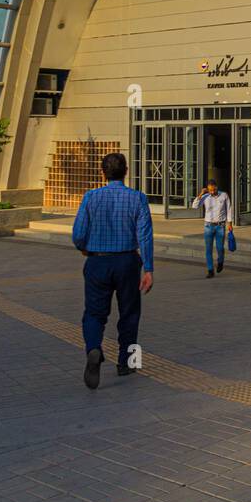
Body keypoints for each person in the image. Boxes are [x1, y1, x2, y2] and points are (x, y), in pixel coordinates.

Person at [71, 152, 153, 389]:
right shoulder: (137, 198)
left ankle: (94, 348)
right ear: (126, 171)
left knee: (94, 313)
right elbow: (145, 235)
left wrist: (84, 248)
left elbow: (78, 233)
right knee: (129, 312)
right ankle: (125, 362)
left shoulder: (91, 197)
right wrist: (148, 268)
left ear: (102, 172)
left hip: (97, 261)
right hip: (127, 261)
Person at [191, 180, 234, 278]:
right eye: (210, 190)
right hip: (208, 226)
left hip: (220, 226)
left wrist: (230, 223)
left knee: (220, 248)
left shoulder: (224, 195)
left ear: (216, 187)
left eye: (213, 189)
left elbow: (229, 209)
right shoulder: (205, 196)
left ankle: (220, 262)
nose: (212, 192)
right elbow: (195, 206)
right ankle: (210, 270)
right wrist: (201, 194)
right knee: (208, 249)